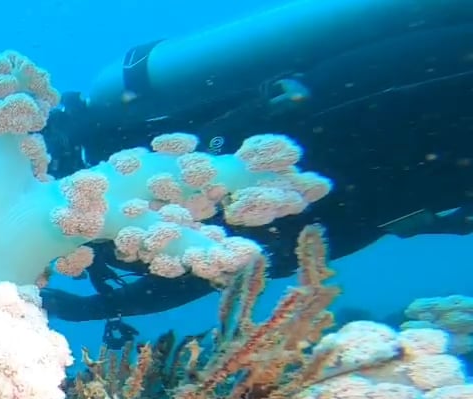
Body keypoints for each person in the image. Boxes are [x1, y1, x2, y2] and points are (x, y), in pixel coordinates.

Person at [38, 0, 473, 344]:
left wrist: (90, 306)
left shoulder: (88, 190)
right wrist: (89, 308)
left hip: (343, 117)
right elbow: (199, 271)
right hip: (382, 181)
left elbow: (197, 262)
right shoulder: (104, 239)